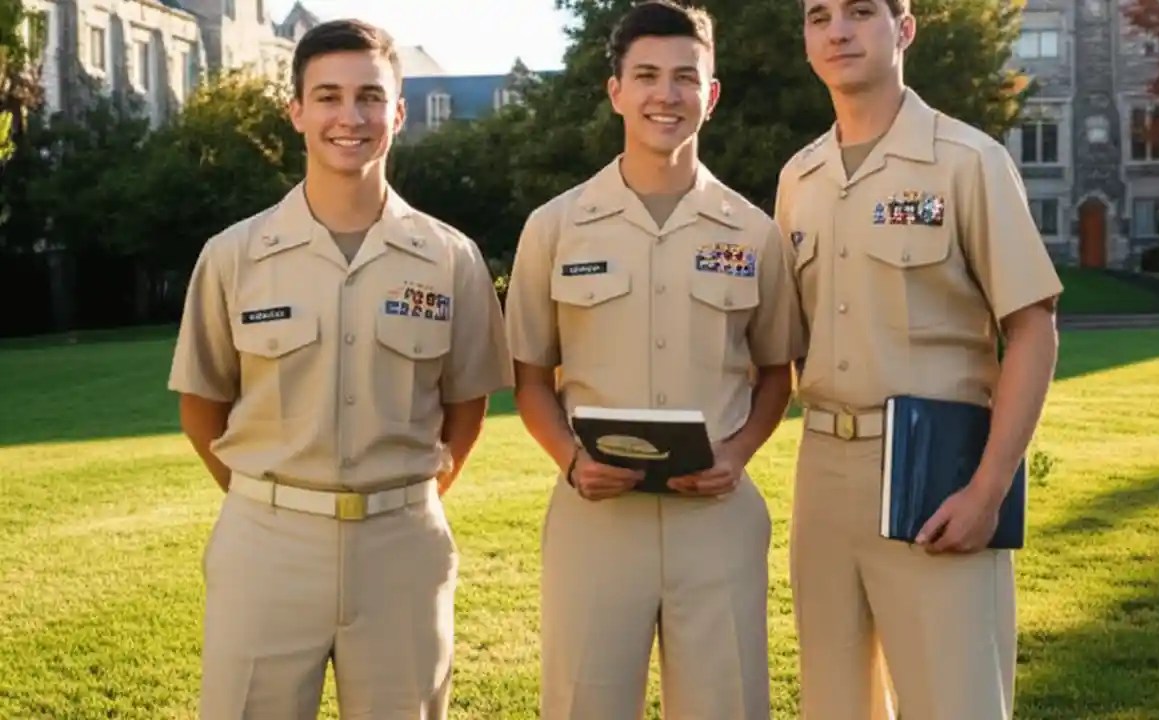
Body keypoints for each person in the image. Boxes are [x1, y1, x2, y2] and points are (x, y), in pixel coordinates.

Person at [167, 18, 512, 719]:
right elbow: (202, 408)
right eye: (327, 96)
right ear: (295, 110)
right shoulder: (234, 256)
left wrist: (405, 498)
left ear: (399, 111)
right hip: (265, 546)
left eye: (369, 96)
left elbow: (465, 410)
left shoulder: (452, 259)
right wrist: (276, 498)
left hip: (402, 548)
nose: (349, 117)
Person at [503, 2, 804, 717]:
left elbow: (774, 375)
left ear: (712, 94)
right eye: (645, 76)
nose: (664, 95)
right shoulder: (554, 228)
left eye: (684, 77)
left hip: (718, 518)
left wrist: (740, 451)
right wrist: (570, 461)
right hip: (595, 518)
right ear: (615, 92)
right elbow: (528, 379)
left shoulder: (755, 234)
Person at [774, 1, 1064, 718]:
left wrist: (988, 491)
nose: (837, 30)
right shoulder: (798, 179)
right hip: (823, 475)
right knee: (834, 703)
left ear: (903, 29)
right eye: (819, 16)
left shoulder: (970, 161)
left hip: (937, 474)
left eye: (861, 11)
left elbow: (1033, 328)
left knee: (955, 700)